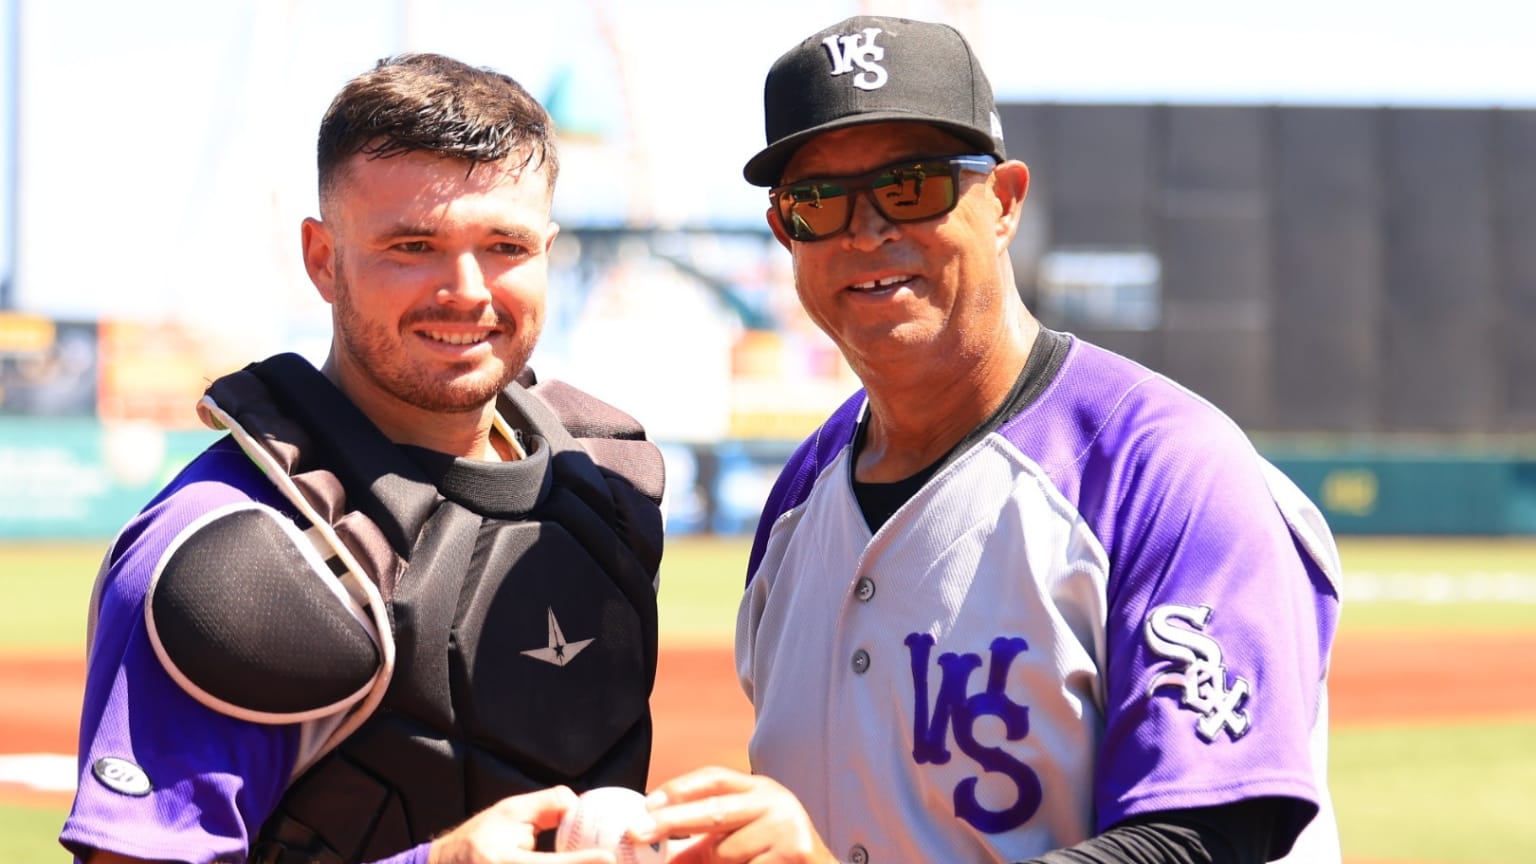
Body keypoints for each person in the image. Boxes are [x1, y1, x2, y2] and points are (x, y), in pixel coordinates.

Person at [633, 15, 1342, 864]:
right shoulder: (800, 498)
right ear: (786, 235)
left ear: (1003, 201)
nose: (865, 232)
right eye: (817, 201)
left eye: (913, 186)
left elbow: (1210, 840)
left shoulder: (1167, 469)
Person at [60, 53, 665, 864]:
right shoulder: (233, 554)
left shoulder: (606, 490)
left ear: (548, 250)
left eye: (505, 245)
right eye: (412, 244)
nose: (466, 289)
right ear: (322, 260)